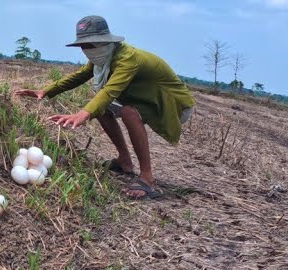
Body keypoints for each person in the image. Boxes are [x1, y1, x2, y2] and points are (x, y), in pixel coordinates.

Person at [14, 16, 195, 199]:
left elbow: (109, 91)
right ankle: (125, 161)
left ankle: (146, 178)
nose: (87, 50)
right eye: (84, 46)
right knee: (102, 110)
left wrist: (83, 113)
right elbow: (81, 75)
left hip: (170, 103)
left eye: (91, 45)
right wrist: (46, 91)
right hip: (145, 98)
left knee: (128, 112)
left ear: (105, 41)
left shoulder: (127, 58)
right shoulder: (104, 57)